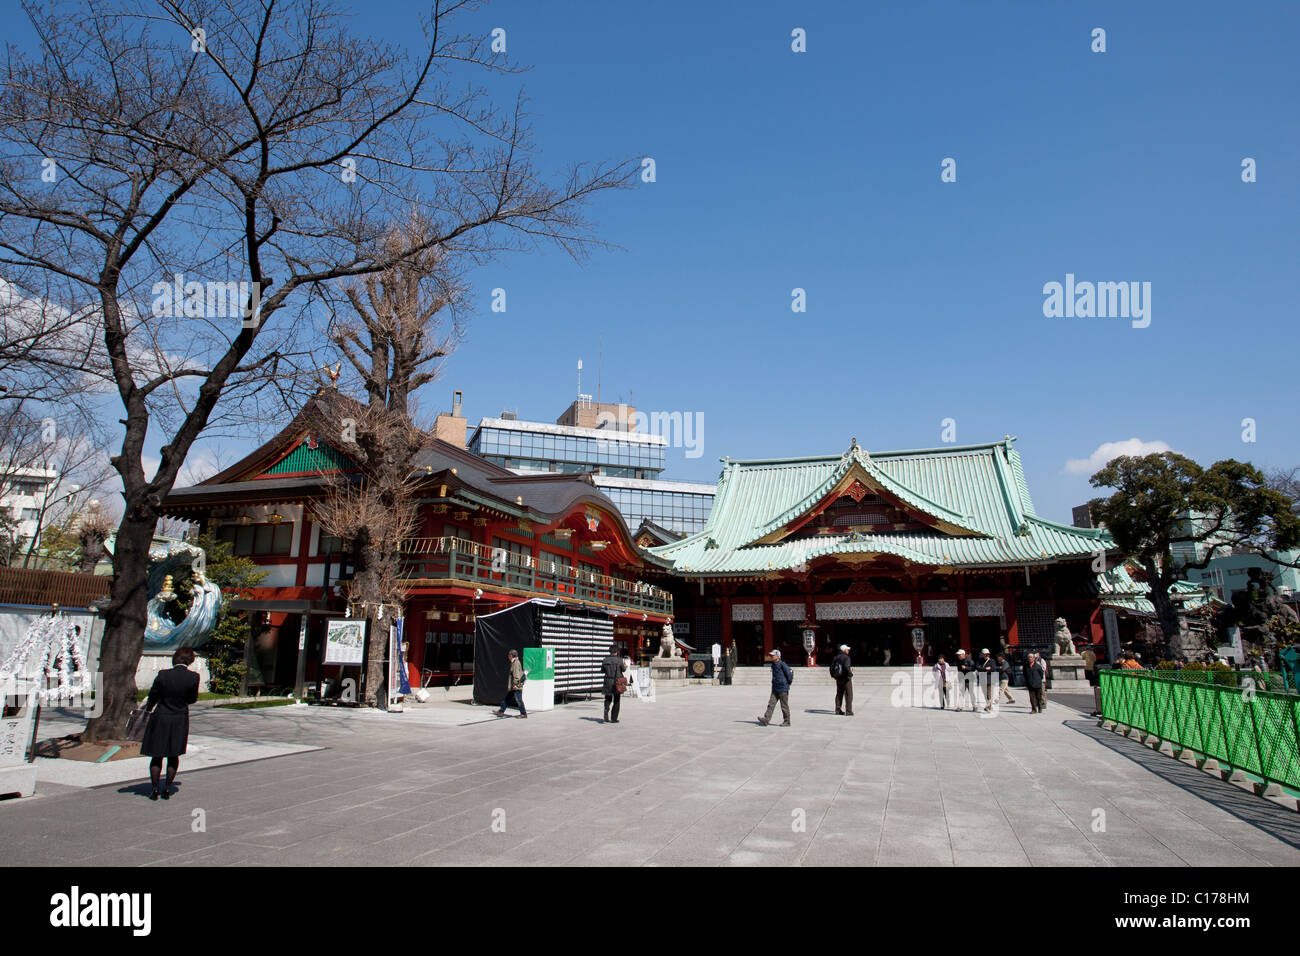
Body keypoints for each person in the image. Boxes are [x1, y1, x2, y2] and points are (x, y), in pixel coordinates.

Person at [141, 646, 201, 800]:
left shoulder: (163, 675)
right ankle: (167, 788)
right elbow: (192, 699)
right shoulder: (193, 677)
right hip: (179, 717)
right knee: (173, 755)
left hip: (161, 715)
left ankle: (154, 789)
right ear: (190, 660)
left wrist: (148, 709)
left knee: (157, 755)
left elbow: (153, 695)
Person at [757, 649, 793, 726]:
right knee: (771, 704)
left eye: (773, 655)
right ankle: (766, 719)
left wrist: (788, 683)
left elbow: (789, 674)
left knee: (784, 706)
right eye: (771, 655)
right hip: (775, 688)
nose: (771, 656)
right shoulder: (773, 665)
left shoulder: (782, 664)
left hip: (783, 688)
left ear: (778, 656)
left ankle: (787, 721)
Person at [493, 649, 528, 718]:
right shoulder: (514, 662)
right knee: (507, 698)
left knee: (519, 700)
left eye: (509, 655)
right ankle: (501, 711)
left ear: (511, 655)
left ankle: (523, 713)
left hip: (516, 686)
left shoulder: (515, 663)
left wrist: (515, 684)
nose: (508, 657)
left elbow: (516, 675)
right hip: (514, 685)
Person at [601, 643, 625, 723]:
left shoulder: (605, 660)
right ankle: (614, 718)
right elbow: (624, 669)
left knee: (608, 698)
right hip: (617, 682)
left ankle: (606, 709)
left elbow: (602, 671)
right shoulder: (619, 660)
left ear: (609, 651)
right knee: (617, 700)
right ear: (617, 651)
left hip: (607, 681)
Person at [830, 644, 854, 715]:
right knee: (849, 694)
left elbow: (831, 668)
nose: (848, 650)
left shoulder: (836, 657)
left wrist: (833, 676)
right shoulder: (846, 657)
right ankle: (849, 711)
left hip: (838, 678)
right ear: (844, 650)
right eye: (847, 649)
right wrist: (850, 674)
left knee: (839, 694)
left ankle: (838, 710)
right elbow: (847, 667)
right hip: (846, 678)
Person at [976, 647, 997, 712]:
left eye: (984, 654)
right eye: (982, 654)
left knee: (989, 693)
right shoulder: (980, 660)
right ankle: (989, 706)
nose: (983, 655)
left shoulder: (992, 661)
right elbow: (977, 667)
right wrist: (986, 669)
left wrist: (982, 669)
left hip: (990, 679)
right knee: (985, 693)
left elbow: (993, 669)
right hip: (982, 679)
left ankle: (988, 706)